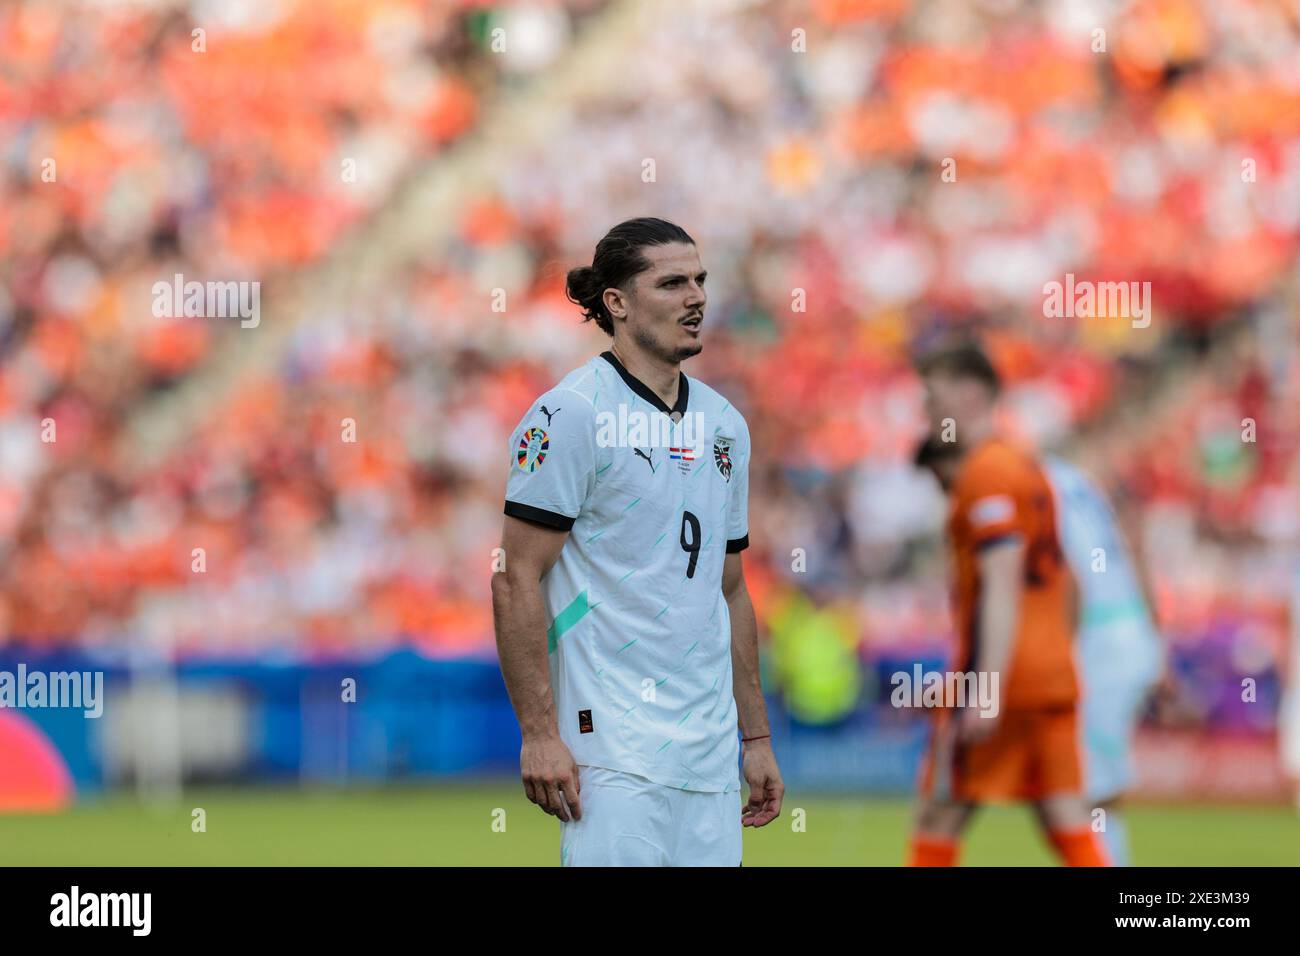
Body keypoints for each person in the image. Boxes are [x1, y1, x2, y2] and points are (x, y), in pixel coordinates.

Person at [491, 217, 782, 866]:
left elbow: (730, 590)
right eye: (672, 282)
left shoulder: (725, 426)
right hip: (611, 752)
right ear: (617, 303)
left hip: (708, 753)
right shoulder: (572, 413)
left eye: (701, 280)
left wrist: (755, 736)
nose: (697, 297)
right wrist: (538, 733)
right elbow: (516, 577)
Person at [906, 345, 1108, 867]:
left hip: (1003, 675)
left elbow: (1001, 580)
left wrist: (986, 686)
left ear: (972, 393)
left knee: (938, 812)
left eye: (933, 394)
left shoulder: (986, 472)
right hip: (1050, 674)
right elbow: (1071, 584)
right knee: (1066, 818)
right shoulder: (1028, 467)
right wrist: (1057, 652)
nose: (925, 408)